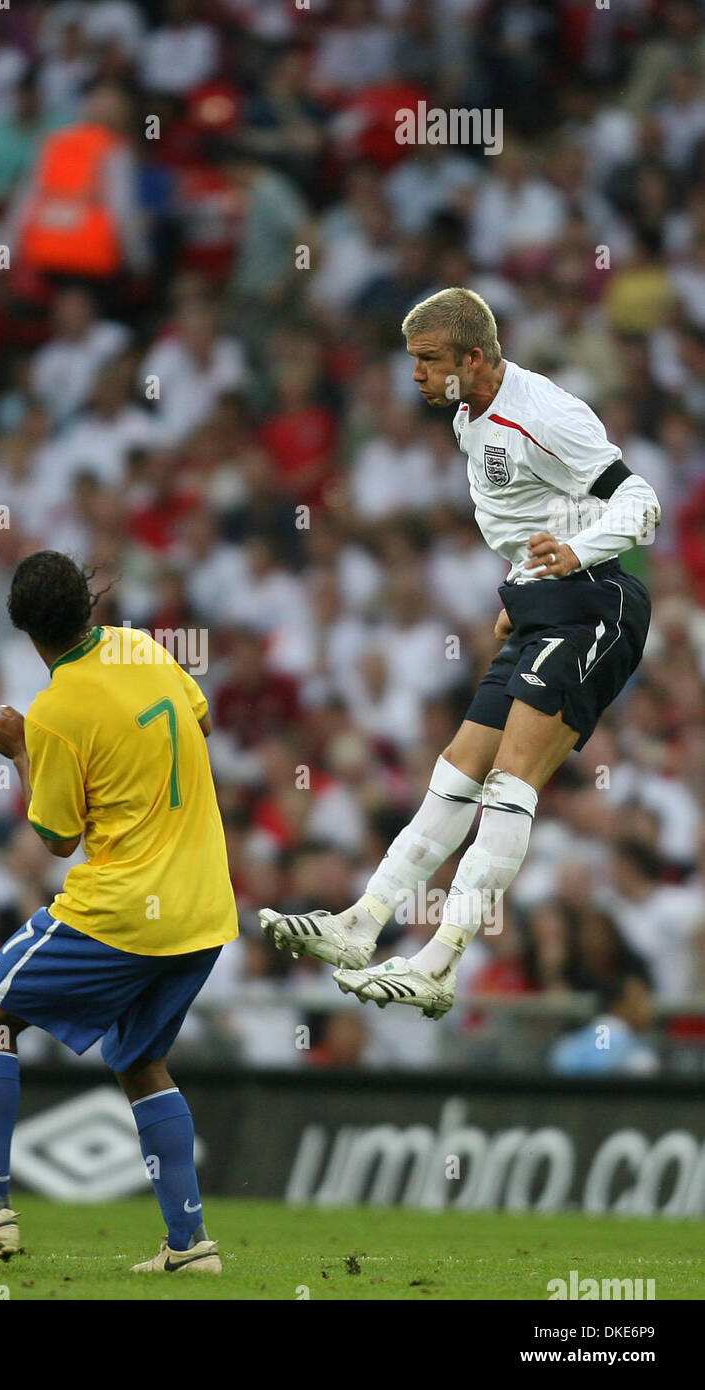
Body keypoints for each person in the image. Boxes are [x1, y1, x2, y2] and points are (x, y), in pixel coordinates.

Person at [261, 287, 659, 1020]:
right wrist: (524, 589)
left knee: (510, 782)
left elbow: (640, 502)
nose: (413, 374)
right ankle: (361, 924)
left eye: (427, 360)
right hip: (545, 608)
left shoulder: (546, 415)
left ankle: (439, 962)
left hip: (597, 604)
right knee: (456, 771)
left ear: (473, 357)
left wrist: (573, 554)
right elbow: (533, 519)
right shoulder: (469, 418)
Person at [0, 551, 237, 1273]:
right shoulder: (140, 645)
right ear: (90, 606)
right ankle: (190, 1247)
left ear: (22, 628)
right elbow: (200, 724)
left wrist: (20, 750)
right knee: (143, 1059)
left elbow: (58, 840)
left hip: (123, 909)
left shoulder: (54, 713)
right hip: (205, 905)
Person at [550, 971, 658, 1075]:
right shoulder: (631, 1053)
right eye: (641, 999)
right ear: (619, 1004)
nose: (648, 1007)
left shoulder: (566, 1045)